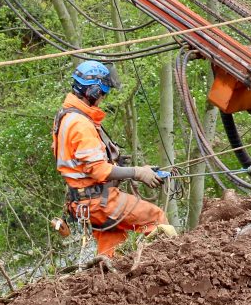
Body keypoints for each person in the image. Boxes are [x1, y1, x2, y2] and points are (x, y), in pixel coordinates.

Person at [53, 60, 177, 257]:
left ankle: (109, 283)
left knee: (113, 249)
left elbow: (86, 165)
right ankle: (172, 268)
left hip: (84, 202)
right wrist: (138, 173)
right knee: (155, 218)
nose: (103, 98)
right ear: (93, 93)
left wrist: (139, 169)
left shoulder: (67, 117)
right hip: (99, 202)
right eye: (103, 93)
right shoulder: (80, 124)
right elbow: (99, 170)